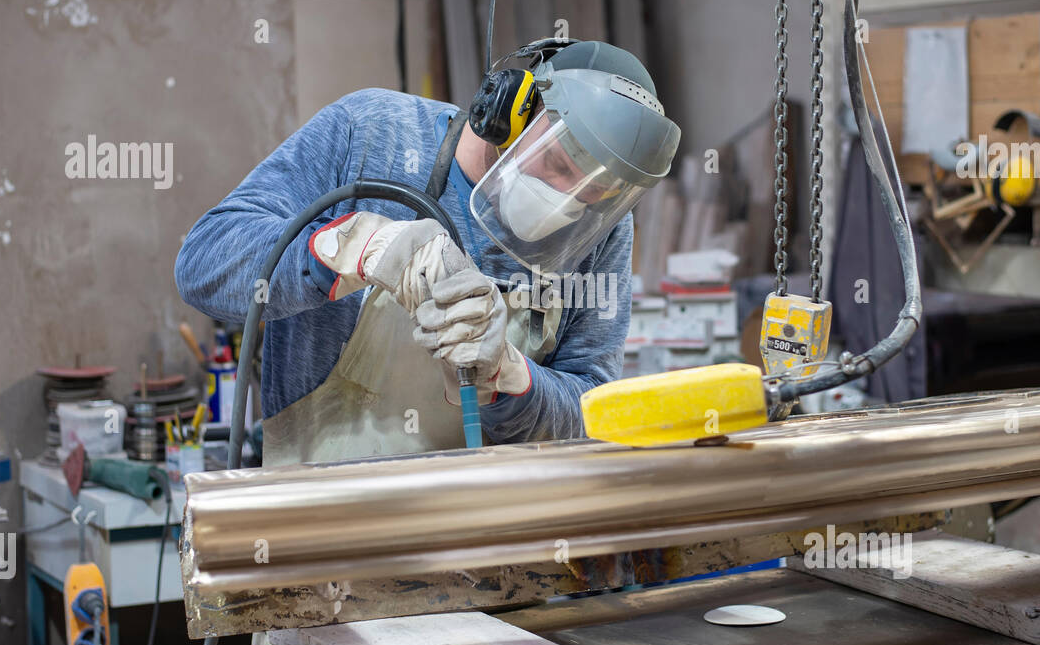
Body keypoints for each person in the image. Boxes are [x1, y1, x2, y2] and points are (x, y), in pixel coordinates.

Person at [176, 39, 680, 466]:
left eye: (597, 190)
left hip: (485, 550)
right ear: (511, 111)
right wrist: (353, 246)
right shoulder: (371, 134)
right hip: (324, 532)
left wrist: (510, 376)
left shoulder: (603, 229)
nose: (570, 197)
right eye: (558, 163)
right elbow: (204, 263)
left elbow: (590, 408)